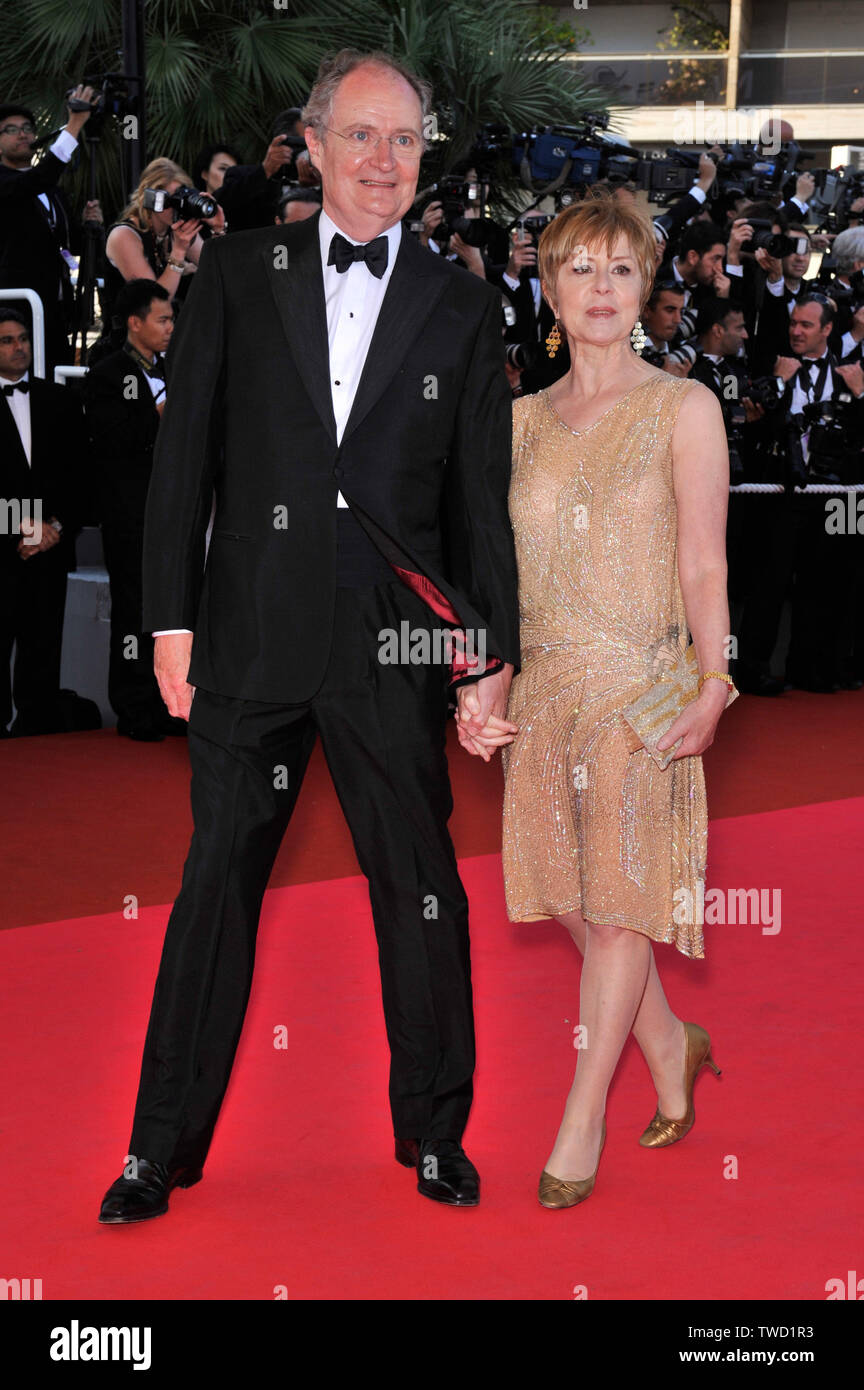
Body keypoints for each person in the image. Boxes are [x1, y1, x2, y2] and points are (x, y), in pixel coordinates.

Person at [98, 47, 520, 1225]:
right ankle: (155, 1149)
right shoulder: (237, 272)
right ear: (318, 143)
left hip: (394, 639)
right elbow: (184, 464)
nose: (387, 162)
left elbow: (479, 496)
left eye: (406, 141)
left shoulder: (461, 299)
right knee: (213, 888)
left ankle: (435, 1131)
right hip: (249, 630)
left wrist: (488, 651)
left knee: (420, 887)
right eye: (365, 137)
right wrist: (167, 619)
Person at [468, 193, 735, 1207]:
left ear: (647, 290)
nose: (601, 289)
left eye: (622, 271)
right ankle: (671, 1038)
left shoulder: (685, 408)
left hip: (645, 680)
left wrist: (715, 681)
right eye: (581, 268)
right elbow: (499, 580)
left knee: (622, 903)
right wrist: (483, 686)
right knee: (572, 897)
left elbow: (704, 562)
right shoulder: (517, 422)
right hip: (543, 688)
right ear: (549, 287)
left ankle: (582, 1118)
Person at [83, 279, 186, 740]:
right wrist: (158, 417)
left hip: (178, 512)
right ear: (135, 323)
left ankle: (173, 702)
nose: (170, 327)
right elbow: (111, 444)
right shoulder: (107, 373)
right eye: (162, 319)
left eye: (171, 319)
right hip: (131, 516)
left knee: (176, 608)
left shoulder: (177, 367)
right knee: (133, 610)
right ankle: (134, 705)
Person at [0, 308, 86, 735]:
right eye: (7, 341)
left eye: (23, 339)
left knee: (43, 644)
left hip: (49, 548)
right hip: (3, 548)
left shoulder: (61, 399)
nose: (19, 348)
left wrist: (53, 526)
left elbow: (80, 473)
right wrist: (23, 529)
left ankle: (36, 735)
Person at [0, 86, 104, 373]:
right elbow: (36, 179)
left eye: (27, 128)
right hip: (18, 308)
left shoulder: (53, 192)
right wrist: (74, 126)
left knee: (57, 380)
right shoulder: (8, 182)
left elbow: (70, 245)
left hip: (56, 307)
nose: (23, 134)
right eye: (10, 130)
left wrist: (89, 226)